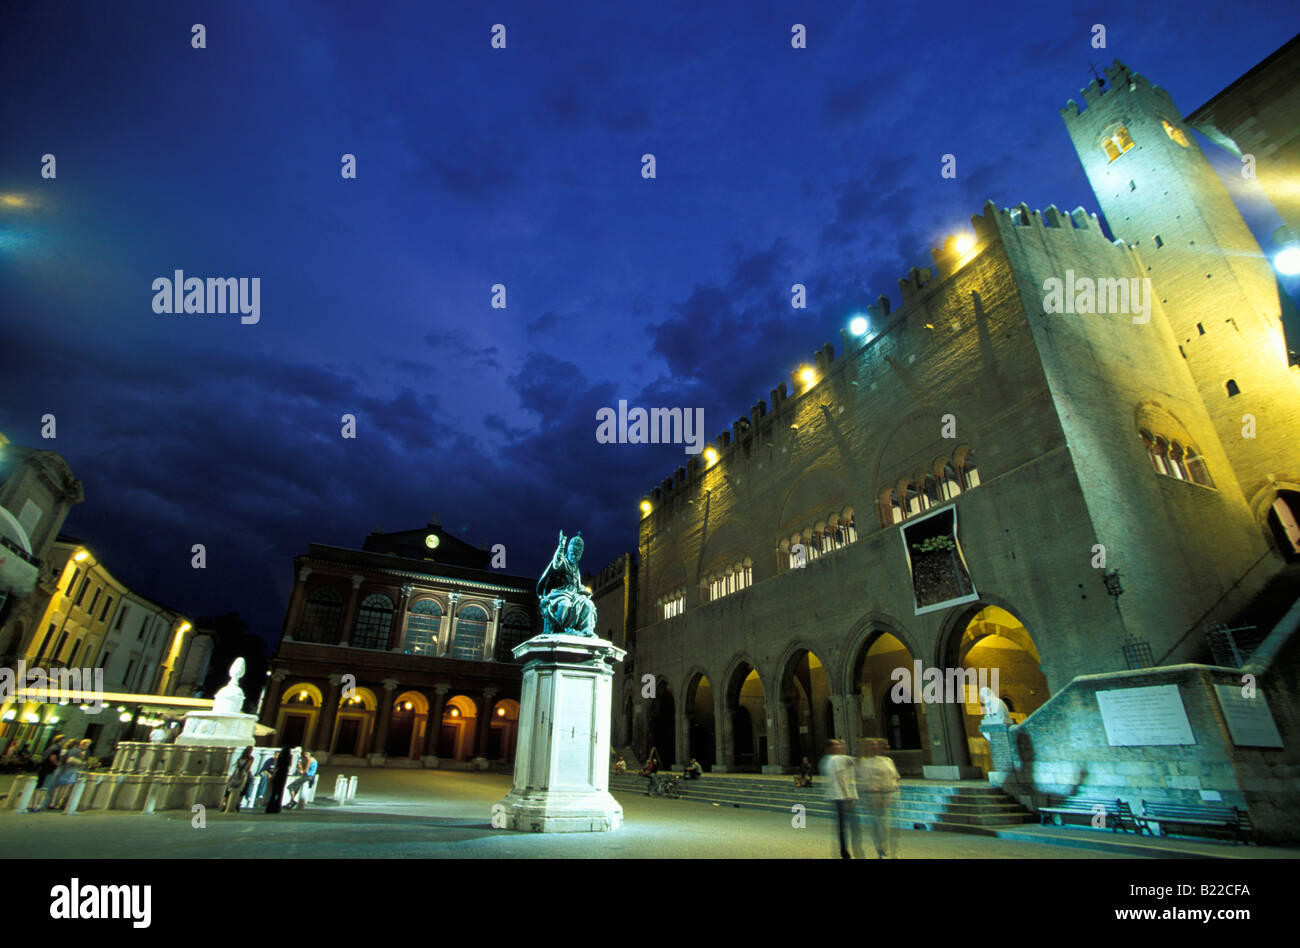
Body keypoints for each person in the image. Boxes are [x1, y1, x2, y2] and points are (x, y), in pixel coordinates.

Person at [856, 738, 901, 858]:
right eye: (871, 745)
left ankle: (894, 851)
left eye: (875, 744)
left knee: (892, 826)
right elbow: (867, 780)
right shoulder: (864, 762)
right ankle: (881, 849)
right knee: (880, 824)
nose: (874, 747)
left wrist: (897, 790)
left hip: (891, 794)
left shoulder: (887, 760)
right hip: (875, 796)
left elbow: (895, 776)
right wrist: (877, 794)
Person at [819, 739, 861, 858]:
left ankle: (844, 851)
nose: (840, 746)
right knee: (848, 826)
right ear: (831, 748)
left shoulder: (829, 759)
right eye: (837, 745)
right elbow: (840, 778)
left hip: (838, 796)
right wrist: (847, 796)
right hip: (841, 797)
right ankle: (846, 852)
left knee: (843, 826)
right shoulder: (835, 760)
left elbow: (855, 760)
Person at [48, 739, 90, 810]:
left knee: (59, 788)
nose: (83, 746)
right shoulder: (76, 751)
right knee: (65, 788)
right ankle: (59, 804)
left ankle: (54, 803)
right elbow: (71, 760)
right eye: (83, 744)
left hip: (64, 770)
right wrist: (81, 763)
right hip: (70, 771)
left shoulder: (66, 750)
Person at [27, 734, 65, 812]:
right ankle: (37, 805)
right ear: (60, 741)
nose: (64, 742)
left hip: (43, 768)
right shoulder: (56, 748)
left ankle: (32, 804)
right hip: (48, 769)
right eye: (63, 740)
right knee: (44, 787)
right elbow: (53, 758)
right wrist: (58, 764)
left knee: (39, 785)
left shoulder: (51, 747)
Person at [223, 746, 254, 813]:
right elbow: (248, 768)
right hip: (243, 775)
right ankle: (239, 803)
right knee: (243, 789)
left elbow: (236, 766)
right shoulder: (250, 758)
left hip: (236, 774)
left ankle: (225, 804)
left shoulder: (240, 758)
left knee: (229, 789)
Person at [264, 745, 294, 814]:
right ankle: (276, 808)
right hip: (283, 776)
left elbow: (276, 767)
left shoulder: (280, 758)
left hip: (278, 775)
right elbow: (289, 766)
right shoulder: (288, 758)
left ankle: (269, 808)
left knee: (273, 792)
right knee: (280, 793)